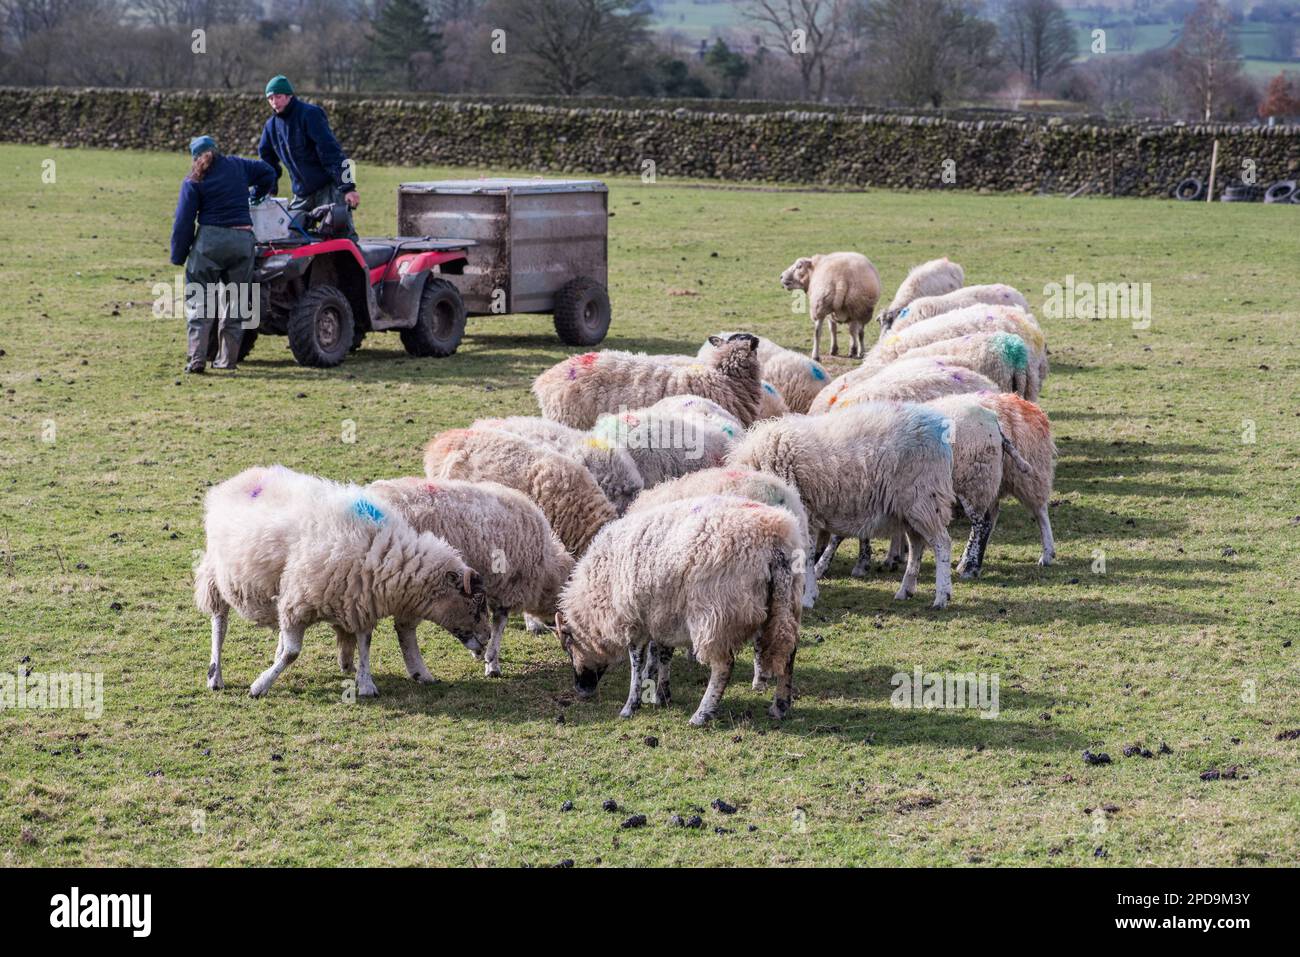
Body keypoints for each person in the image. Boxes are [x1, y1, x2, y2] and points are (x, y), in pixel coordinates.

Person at [170, 135, 276, 373]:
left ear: (195, 158)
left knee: (200, 301)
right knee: (236, 301)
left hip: (210, 242)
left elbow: (183, 222)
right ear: (217, 150)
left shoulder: (194, 180)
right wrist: (256, 195)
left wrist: (178, 255)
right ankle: (227, 361)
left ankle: (196, 359)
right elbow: (268, 172)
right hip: (242, 240)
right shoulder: (238, 165)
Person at [258, 75, 360, 241]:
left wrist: (348, 188)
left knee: (342, 234)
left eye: (278, 96)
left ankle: (355, 265)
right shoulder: (271, 127)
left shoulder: (310, 114)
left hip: (328, 187)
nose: (274, 102)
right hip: (301, 193)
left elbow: (332, 151)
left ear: (289, 96)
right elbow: (267, 161)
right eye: (270, 98)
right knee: (289, 233)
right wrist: (269, 189)